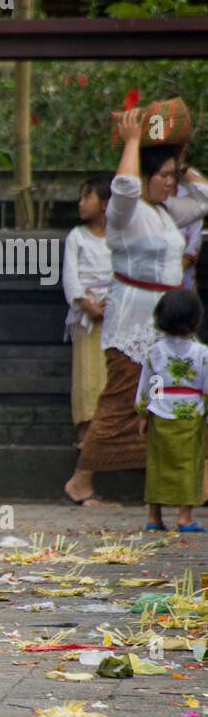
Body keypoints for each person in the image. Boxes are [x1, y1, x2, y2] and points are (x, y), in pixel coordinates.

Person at [63, 107, 208, 506]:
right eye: (162, 175)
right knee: (121, 398)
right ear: (145, 176)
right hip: (132, 317)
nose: (169, 183)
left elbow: (201, 199)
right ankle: (80, 480)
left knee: (178, 391)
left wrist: (180, 159)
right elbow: (125, 187)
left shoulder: (164, 212)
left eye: (171, 176)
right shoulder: (126, 213)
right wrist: (132, 143)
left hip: (169, 317)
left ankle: (193, 481)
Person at [135, 288, 208, 531]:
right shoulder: (202, 354)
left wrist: (143, 414)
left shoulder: (154, 351)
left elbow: (148, 385)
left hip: (160, 413)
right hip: (191, 415)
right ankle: (184, 517)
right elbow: (206, 389)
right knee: (189, 463)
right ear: (197, 321)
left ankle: (153, 517)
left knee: (157, 463)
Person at [61, 178, 113, 448]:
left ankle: (111, 431)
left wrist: (113, 302)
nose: (80, 203)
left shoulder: (119, 237)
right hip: (87, 313)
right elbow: (70, 277)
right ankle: (86, 431)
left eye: (86, 197)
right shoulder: (77, 237)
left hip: (115, 312)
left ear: (105, 204)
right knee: (87, 373)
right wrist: (86, 303)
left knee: (112, 372)